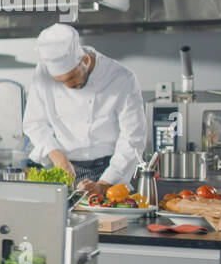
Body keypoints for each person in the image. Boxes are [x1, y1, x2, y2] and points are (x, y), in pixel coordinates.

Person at [22, 23, 146, 198]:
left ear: (85, 61)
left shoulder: (121, 78)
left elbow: (132, 139)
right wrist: (58, 158)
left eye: (72, 77)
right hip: (64, 167)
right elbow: (34, 123)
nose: (68, 85)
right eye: (60, 81)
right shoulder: (42, 73)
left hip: (110, 171)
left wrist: (104, 185)